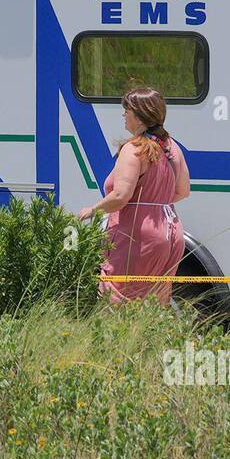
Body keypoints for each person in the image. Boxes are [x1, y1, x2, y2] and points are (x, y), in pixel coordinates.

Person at [78, 87, 190, 306]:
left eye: (126, 110)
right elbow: (183, 190)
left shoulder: (134, 149)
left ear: (139, 117)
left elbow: (120, 196)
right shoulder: (172, 147)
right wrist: (154, 202)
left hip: (138, 233)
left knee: (118, 300)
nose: (123, 115)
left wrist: (92, 210)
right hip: (171, 230)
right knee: (155, 304)